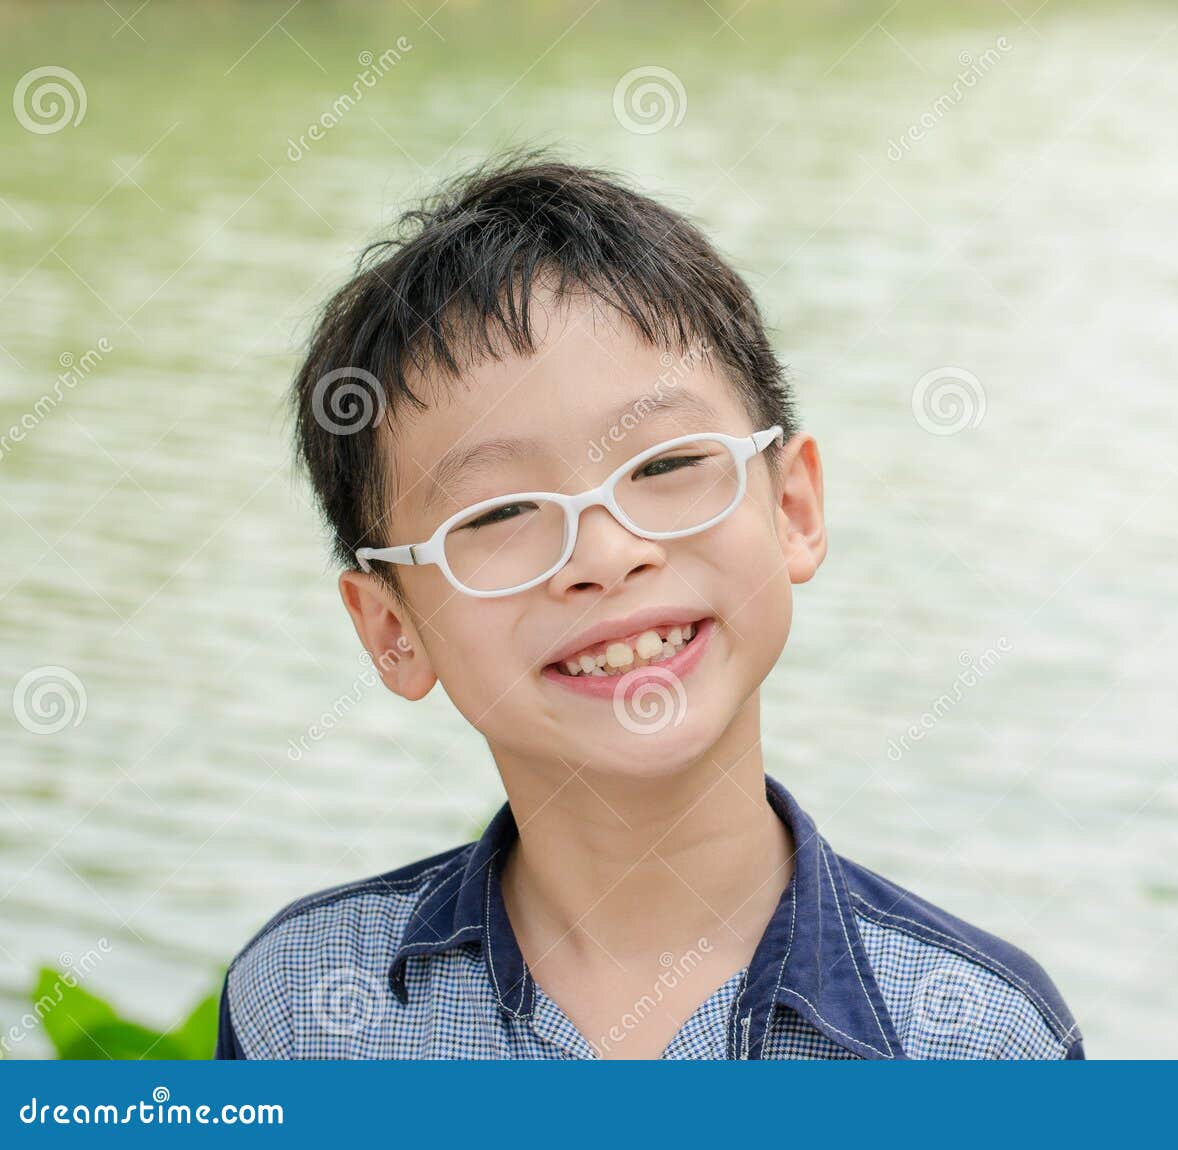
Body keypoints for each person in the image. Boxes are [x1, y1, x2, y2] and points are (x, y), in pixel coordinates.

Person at [216, 151, 1084, 1060]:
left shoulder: (978, 1038)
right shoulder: (306, 1007)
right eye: (502, 511)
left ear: (792, 508)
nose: (606, 554)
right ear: (391, 630)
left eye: (666, 465)